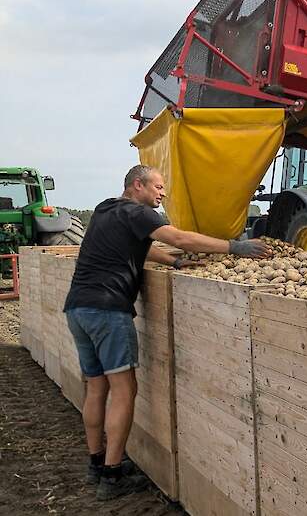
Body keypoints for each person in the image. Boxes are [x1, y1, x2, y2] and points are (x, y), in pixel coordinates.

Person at [63, 164, 271, 500]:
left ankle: (96, 463)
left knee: (96, 387)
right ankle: (112, 476)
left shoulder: (105, 209)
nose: (162, 193)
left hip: (77, 308)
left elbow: (138, 247)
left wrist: (173, 263)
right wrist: (235, 247)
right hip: (108, 311)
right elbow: (179, 238)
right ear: (138, 185)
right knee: (124, 390)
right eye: (158, 187)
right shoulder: (139, 213)